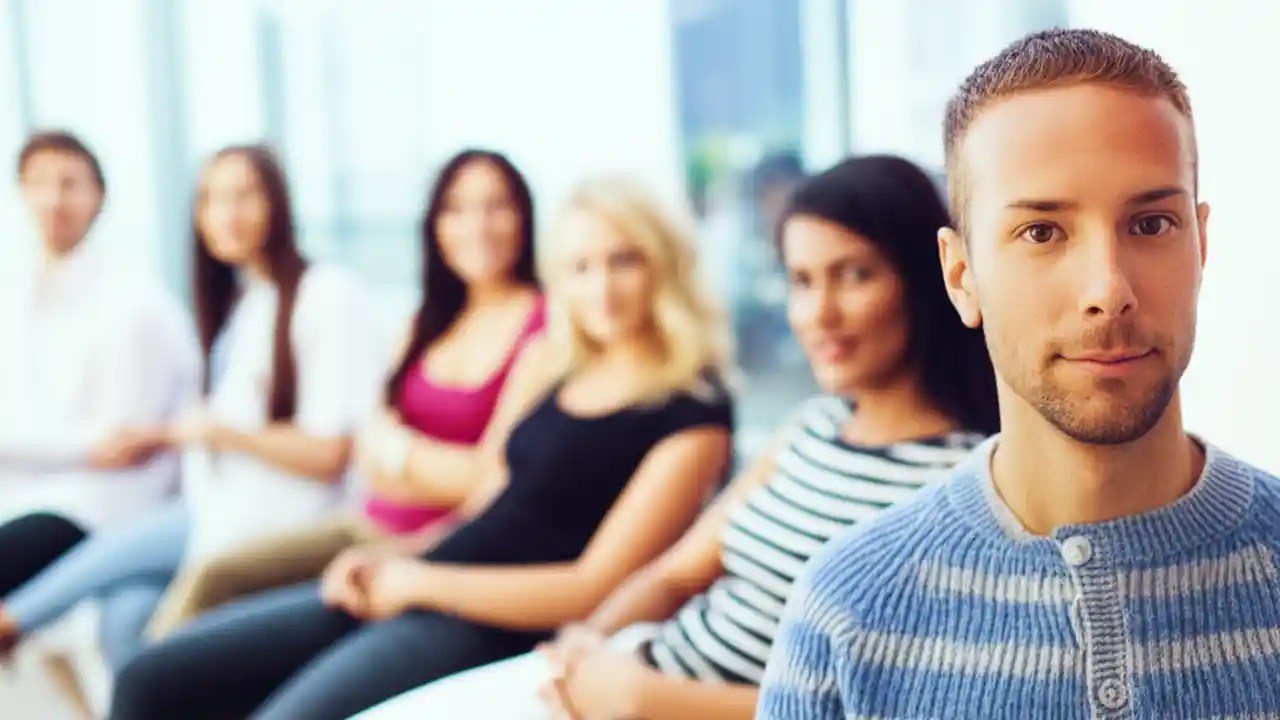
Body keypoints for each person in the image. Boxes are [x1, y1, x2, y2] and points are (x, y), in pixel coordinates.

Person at [350, 154, 1001, 720]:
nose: (818, 313)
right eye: (802, 281)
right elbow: (675, 575)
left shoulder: (964, 483)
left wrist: (640, 698)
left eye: (854, 275)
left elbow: (879, 705)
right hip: (621, 669)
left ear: (926, 277)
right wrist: (588, 640)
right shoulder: (811, 429)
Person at [758, 29, 1280, 719]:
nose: (1108, 288)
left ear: (1201, 244)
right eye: (1042, 232)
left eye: (1151, 224)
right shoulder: (849, 609)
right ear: (961, 275)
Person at [109, 176, 737, 720]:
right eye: (581, 266)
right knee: (151, 678)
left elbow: (593, 586)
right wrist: (396, 556)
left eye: (623, 260)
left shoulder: (694, 413)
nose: (602, 286)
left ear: (663, 264)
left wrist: (422, 582)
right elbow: (493, 505)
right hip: (429, 578)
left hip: (495, 625)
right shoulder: (558, 366)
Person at [0, 145, 381, 670]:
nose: (225, 215)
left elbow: (331, 453)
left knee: (127, 566)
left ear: (279, 201)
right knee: (122, 619)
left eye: (244, 195)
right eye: (210, 200)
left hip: (281, 519)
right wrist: (169, 434)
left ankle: (14, 619)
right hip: (217, 507)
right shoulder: (245, 307)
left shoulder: (326, 294)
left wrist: (218, 433)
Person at [144, 149, 545, 637]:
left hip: (432, 546)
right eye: (456, 210)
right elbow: (369, 453)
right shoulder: (426, 324)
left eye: (496, 206)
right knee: (198, 585)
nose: (477, 226)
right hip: (367, 522)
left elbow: (488, 481)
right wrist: (410, 462)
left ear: (525, 216)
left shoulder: (542, 332)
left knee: (212, 593)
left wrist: (399, 455)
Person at [0, 131, 199, 593]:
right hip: (26, 498)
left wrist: (20, 443)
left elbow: (119, 445)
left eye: (69, 183)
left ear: (98, 196)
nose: (53, 199)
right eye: (39, 183)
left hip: (96, 509)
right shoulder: (15, 298)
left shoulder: (135, 305)